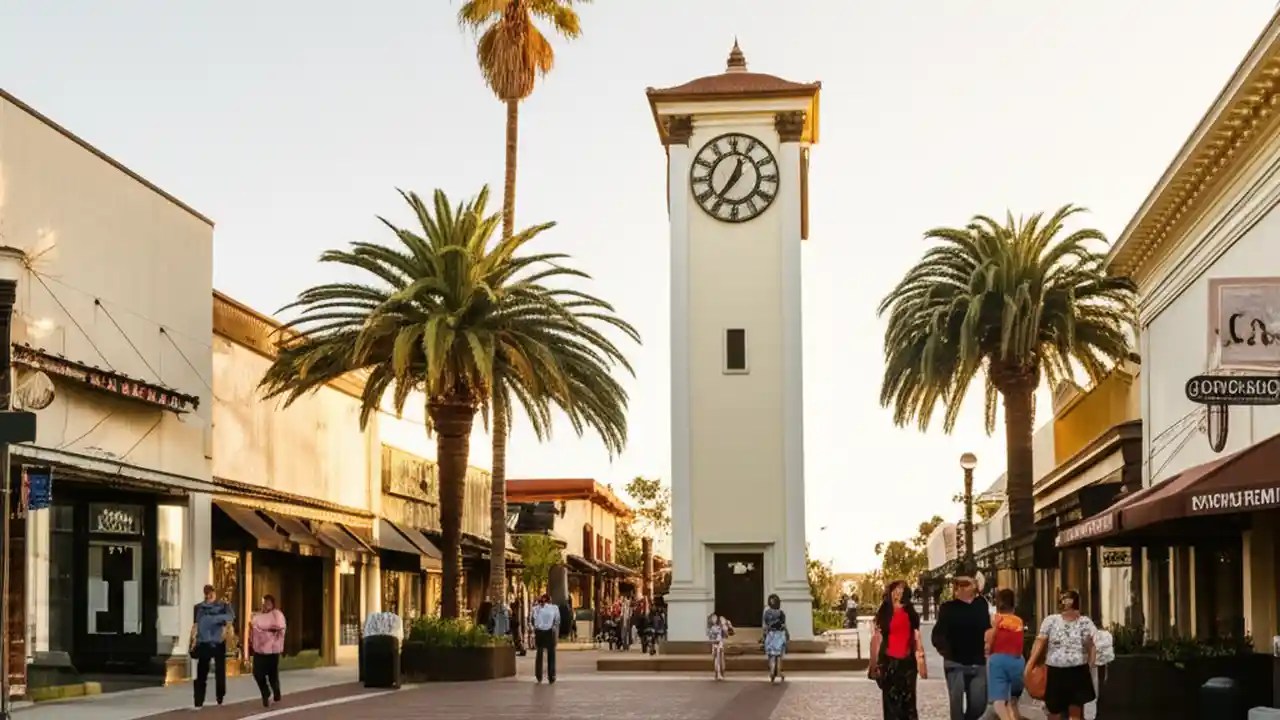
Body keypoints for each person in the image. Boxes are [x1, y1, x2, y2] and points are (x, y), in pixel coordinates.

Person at [1028, 589, 1096, 720]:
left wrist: (1091, 665)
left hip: (1076, 670)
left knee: (1072, 711)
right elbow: (1040, 643)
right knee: (1056, 710)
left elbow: (1091, 645)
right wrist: (1031, 664)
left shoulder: (1084, 622)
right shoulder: (1051, 621)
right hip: (1058, 671)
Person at [932, 575, 990, 720]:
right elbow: (937, 635)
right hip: (955, 663)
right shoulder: (947, 608)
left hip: (977, 662)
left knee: (979, 705)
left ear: (974, 586)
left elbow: (987, 628)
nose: (962, 588)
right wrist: (946, 651)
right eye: (959, 585)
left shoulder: (981, 605)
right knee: (956, 705)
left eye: (966, 584)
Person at [870, 580, 924, 720]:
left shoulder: (910, 612)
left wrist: (921, 659)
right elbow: (877, 638)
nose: (898, 592)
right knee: (891, 703)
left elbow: (917, 637)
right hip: (889, 662)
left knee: (909, 703)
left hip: (907, 663)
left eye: (902, 589)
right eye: (896, 589)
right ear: (890, 591)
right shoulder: (884, 612)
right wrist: (873, 663)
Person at [192, 584, 235, 708]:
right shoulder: (199, 608)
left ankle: (220, 696)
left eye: (211, 592)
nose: (209, 595)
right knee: (201, 672)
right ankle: (198, 699)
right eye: (207, 592)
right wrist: (193, 640)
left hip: (218, 642)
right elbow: (195, 624)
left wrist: (214, 619)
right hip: (204, 642)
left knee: (220, 671)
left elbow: (231, 617)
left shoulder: (222, 606)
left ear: (215, 593)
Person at [985, 589, 1025, 720]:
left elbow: (990, 640)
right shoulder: (1019, 621)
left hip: (998, 660)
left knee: (999, 702)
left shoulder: (995, 620)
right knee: (1012, 700)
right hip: (1017, 661)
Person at [249, 594, 286, 708]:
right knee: (257, 674)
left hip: (272, 651)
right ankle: (266, 693)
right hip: (259, 651)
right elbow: (253, 628)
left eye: (268, 603)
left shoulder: (277, 614)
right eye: (264, 602)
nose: (266, 605)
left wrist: (262, 628)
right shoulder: (258, 616)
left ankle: (276, 693)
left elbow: (279, 626)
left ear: (273, 604)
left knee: (272, 675)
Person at [531, 593, 560, 684]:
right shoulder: (554, 608)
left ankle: (538, 675)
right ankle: (551, 675)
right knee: (551, 653)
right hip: (550, 632)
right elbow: (557, 620)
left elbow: (532, 620)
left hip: (539, 632)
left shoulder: (536, 608)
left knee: (539, 653)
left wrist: (536, 628)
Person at [762, 593, 788, 683]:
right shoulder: (781, 613)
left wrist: (764, 635)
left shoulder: (767, 613)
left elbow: (765, 626)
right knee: (779, 656)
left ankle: (772, 671)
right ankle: (779, 671)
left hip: (771, 635)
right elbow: (784, 625)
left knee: (771, 656)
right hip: (779, 635)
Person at [706, 612, 730, 680]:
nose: (715, 619)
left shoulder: (720, 626)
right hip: (715, 645)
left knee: (721, 660)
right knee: (717, 659)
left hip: (720, 644)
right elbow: (710, 636)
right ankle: (718, 673)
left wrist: (725, 625)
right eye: (713, 618)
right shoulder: (711, 628)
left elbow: (726, 635)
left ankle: (721, 673)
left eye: (715, 617)